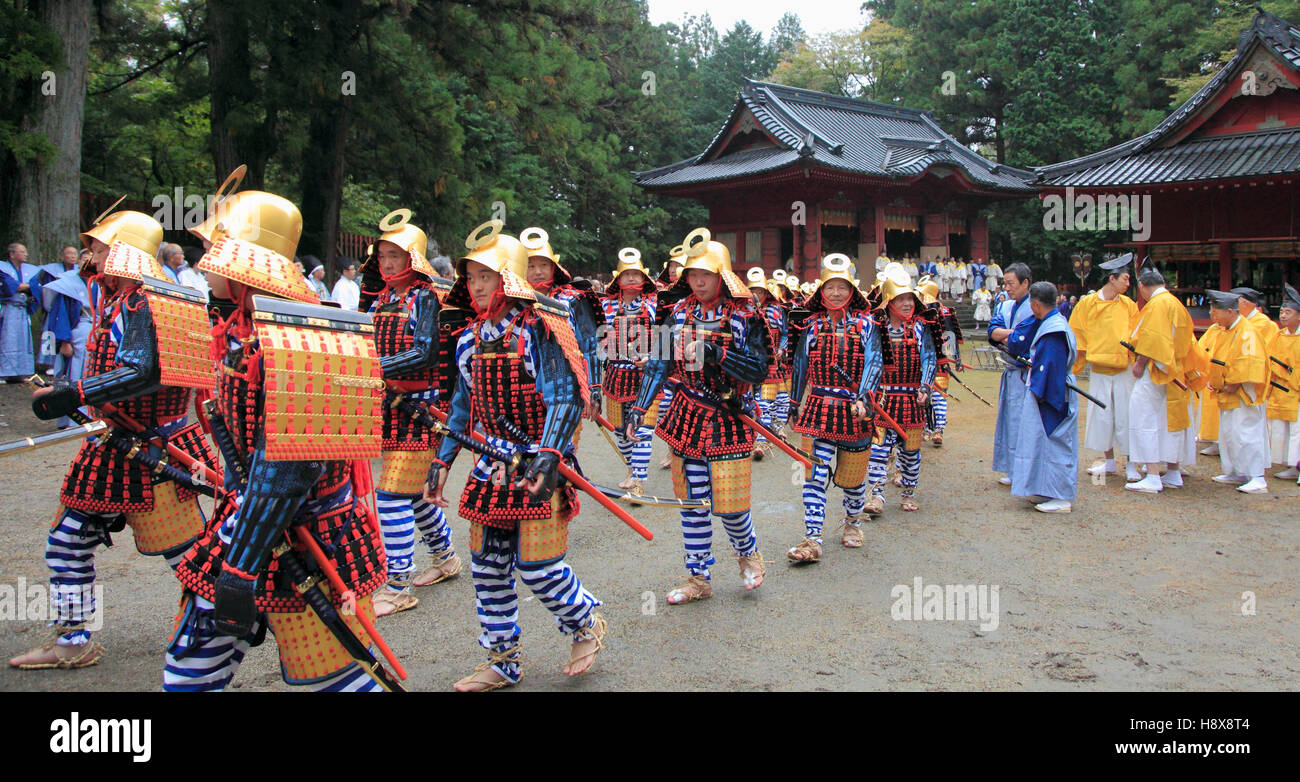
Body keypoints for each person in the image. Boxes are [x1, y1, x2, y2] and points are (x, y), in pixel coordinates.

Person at [171, 184, 391, 692]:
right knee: (189, 668)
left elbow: (291, 464)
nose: (204, 262)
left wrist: (241, 567)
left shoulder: (303, 335)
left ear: (244, 262)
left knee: (337, 682)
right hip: (246, 517)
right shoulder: (244, 325)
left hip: (309, 533)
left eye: (214, 251)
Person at [12, 207, 214, 671]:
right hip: (115, 444)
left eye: (101, 248)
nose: (92, 254)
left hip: (153, 448)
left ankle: (214, 634)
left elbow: (144, 371)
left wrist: (74, 393)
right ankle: (73, 639)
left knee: (189, 559)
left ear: (125, 251)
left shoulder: (149, 301)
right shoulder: (120, 298)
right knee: (68, 541)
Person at [426, 220, 605, 692]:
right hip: (491, 468)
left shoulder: (541, 329)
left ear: (508, 278)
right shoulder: (468, 339)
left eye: (487, 276)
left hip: (539, 465)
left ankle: (586, 623)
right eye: (472, 277)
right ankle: (502, 660)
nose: (477, 286)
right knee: (487, 568)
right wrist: (441, 462)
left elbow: (565, 398)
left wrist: (548, 457)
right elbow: (461, 410)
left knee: (539, 567)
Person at [627, 227, 769, 604]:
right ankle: (698, 576)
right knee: (692, 502)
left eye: (705, 274)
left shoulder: (744, 316)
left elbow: (757, 369)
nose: (699, 281)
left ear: (721, 276)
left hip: (729, 417)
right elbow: (658, 361)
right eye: (693, 274)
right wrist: (640, 408)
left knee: (731, 504)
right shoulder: (676, 312)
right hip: (686, 415)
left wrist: (718, 355)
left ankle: (748, 553)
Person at [360, 210, 461, 616]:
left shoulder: (427, 297)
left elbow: (422, 351)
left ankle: (398, 582)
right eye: (381, 255)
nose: (386, 262)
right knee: (411, 494)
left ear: (412, 258)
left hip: (421, 408)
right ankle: (446, 557)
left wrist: (373, 368)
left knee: (390, 496)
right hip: (388, 405)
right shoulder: (381, 298)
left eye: (394, 255)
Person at [785, 254, 881, 562]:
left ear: (852, 290)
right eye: (830, 287)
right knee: (814, 474)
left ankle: (852, 523)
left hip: (856, 410)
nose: (836, 293)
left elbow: (874, 362)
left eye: (842, 287)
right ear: (821, 292)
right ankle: (812, 538)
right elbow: (800, 365)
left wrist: (866, 397)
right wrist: (794, 402)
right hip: (819, 408)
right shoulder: (811, 326)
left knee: (853, 478)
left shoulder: (867, 325)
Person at [865, 262, 936, 515]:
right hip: (884, 399)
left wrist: (926, 386)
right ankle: (876, 496)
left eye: (910, 299)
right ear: (889, 301)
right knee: (878, 451)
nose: (907, 304)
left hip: (912, 399)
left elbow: (929, 358)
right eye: (901, 299)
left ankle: (908, 492)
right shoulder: (877, 328)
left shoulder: (920, 328)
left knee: (911, 451)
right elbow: (871, 362)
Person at [1123, 265, 1200, 493]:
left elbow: (1153, 338)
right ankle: (1173, 471)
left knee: (1145, 417)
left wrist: (1140, 362)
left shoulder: (1158, 304)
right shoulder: (1174, 303)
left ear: (1143, 287)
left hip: (1156, 369)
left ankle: (1154, 474)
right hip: (1173, 368)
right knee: (1169, 420)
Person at [1006, 281, 1078, 513]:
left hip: (1051, 394)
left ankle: (1061, 496)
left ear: (1036, 305)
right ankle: (1048, 489)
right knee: (1044, 444)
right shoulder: (1054, 323)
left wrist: (1040, 395)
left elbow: (1050, 368)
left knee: (1055, 441)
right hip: (1050, 389)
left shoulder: (1053, 330)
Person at [1069, 254, 1138, 477]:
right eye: (1125, 279)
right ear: (1112, 279)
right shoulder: (1087, 304)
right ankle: (1108, 461)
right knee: (1101, 415)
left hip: (1123, 369)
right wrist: (1074, 365)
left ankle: (1131, 463)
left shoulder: (1129, 305)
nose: (1128, 284)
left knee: (1127, 416)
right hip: (1099, 369)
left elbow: (1137, 335)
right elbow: (1077, 333)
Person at [600, 247, 659, 493]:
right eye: (627, 274)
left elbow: (666, 336)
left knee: (643, 429)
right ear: (618, 280)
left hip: (646, 375)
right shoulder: (605, 306)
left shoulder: (656, 304)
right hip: (616, 375)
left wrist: (654, 357)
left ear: (644, 278)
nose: (633, 278)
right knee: (620, 431)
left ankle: (639, 481)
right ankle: (631, 467)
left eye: (637, 273)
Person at [1203, 289, 1270, 493]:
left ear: (1231, 312)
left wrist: (1234, 382)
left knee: (1246, 433)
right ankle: (1235, 471)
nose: (1212, 315)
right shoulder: (1226, 329)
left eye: (1216, 311)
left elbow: (1250, 363)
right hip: (1225, 390)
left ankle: (1257, 476)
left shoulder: (1247, 332)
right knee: (1229, 434)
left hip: (1242, 392)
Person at [988, 263, 1034, 485]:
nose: (1007, 288)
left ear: (1025, 283)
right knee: (1009, 420)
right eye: (1004, 283)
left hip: (1027, 373)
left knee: (1025, 421)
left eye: (1011, 283)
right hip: (1011, 371)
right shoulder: (1005, 306)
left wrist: (1007, 336)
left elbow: (1021, 343)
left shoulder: (1034, 307)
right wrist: (1012, 334)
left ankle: (1024, 471)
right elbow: (992, 332)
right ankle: (1013, 468)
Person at [745, 267, 788, 459]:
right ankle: (760, 433)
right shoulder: (744, 310)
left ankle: (767, 437)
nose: (757, 295)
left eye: (760, 291)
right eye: (753, 291)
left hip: (773, 363)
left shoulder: (777, 310)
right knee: (754, 400)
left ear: (766, 293)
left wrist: (782, 349)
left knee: (771, 400)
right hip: (751, 362)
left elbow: (786, 333)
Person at [916, 276, 961, 447]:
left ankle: (938, 429)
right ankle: (927, 428)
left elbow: (950, 335)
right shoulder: (917, 312)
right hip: (921, 360)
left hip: (940, 360)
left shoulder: (943, 312)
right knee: (923, 395)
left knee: (939, 396)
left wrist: (954, 356)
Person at [1267, 283, 1300, 482]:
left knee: (1298, 430)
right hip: (1281, 391)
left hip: (1296, 390)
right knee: (1284, 429)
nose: (1283, 315)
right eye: (1281, 311)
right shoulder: (1278, 336)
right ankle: (1291, 464)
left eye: (1288, 312)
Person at [1, 242, 39, 380]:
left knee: (23, 340)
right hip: (9, 309)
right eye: (22, 251)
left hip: (22, 309)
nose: (26, 254)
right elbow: (8, 286)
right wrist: (26, 287)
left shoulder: (30, 270)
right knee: (7, 339)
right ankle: (5, 372)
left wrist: (22, 286)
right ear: (12, 254)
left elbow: (35, 287)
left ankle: (21, 371)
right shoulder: (3, 268)